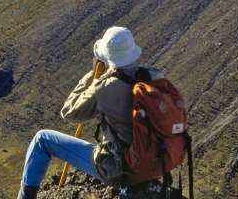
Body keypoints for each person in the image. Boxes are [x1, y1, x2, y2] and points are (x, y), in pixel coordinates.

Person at [16, 26, 163, 199]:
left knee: (42, 139)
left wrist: (93, 75)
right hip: (155, 165)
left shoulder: (104, 87)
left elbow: (69, 112)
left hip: (119, 168)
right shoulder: (155, 77)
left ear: (108, 58)